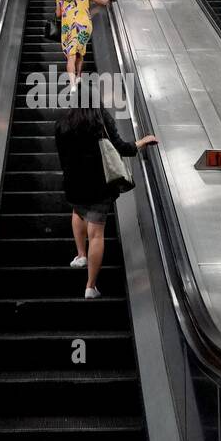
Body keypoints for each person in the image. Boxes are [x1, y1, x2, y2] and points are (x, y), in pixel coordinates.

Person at [55, 105, 158, 298]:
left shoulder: (62, 123)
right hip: (99, 186)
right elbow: (122, 148)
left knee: (77, 211)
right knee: (96, 235)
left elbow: (62, 156)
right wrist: (143, 141)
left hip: (74, 184)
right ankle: (90, 286)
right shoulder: (100, 121)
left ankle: (81, 255)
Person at [55, 0, 115, 84]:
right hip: (83, 25)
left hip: (68, 27)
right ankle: (78, 76)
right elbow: (102, 2)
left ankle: (73, 83)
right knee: (80, 50)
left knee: (71, 55)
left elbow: (58, 14)